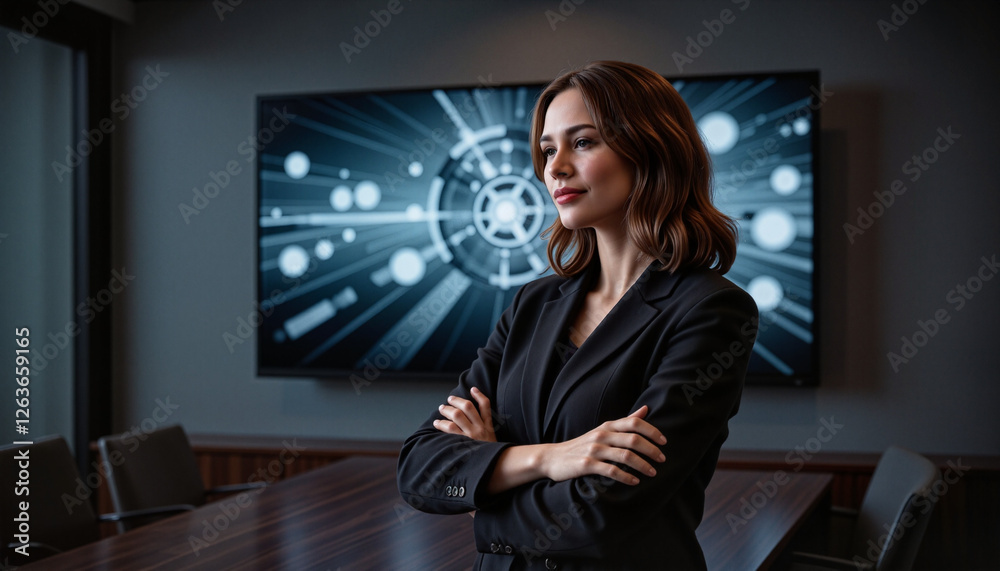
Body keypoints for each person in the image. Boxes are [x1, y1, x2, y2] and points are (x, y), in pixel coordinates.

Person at [396, 61, 759, 570]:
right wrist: (552, 457)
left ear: (650, 148)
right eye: (548, 150)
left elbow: (599, 516)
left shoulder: (711, 310)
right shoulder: (532, 304)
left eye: (583, 142)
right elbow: (419, 468)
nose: (555, 168)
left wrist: (488, 478)